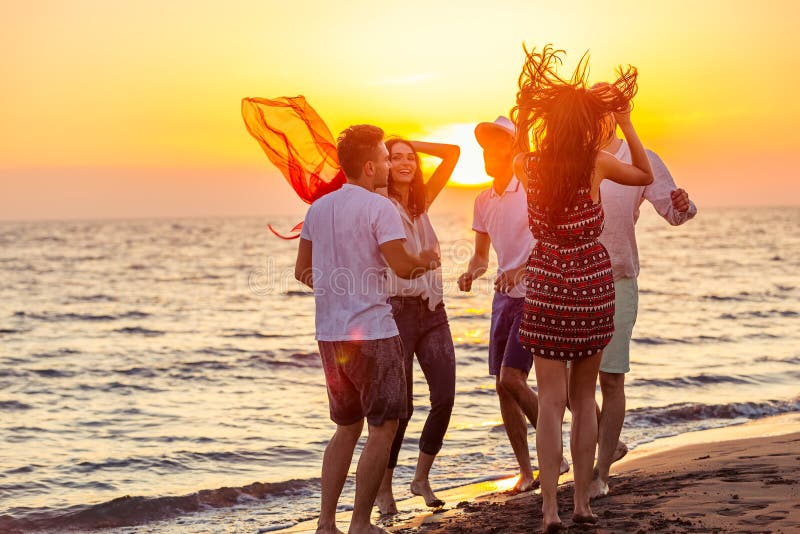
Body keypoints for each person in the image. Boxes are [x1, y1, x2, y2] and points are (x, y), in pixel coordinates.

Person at [511, 45, 654, 532]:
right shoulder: (596, 162)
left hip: (548, 279)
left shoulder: (528, 165)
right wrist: (628, 124)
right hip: (592, 282)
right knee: (584, 395)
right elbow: (645, 175)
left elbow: (517, 148)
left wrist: (527, 117)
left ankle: (549, 508)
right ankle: (582, 505)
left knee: (550, 401)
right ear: (588, 124)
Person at [294, 124, 440, 534]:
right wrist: (427, 259)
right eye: (385, 158)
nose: (392, 168)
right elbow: (403, 267)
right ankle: (360, 523)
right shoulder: (380, 208)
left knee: (345, 428)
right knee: (383, 428)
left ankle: (326, 524)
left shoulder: (318, 208)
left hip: (330, 334)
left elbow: (302, 271)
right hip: (373, 333)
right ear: (371, 165)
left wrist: (341, 285)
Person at [588, 114, 697, 499]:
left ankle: (599, 473)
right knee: (570, 387)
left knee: (610, 379)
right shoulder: (573, 155)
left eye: (608, 109)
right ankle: (603, 444)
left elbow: (676, 212)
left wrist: (682, 203)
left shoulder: (638, 157)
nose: (599, 116)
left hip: (618, 279)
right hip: (573, 283)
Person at [457, 116, 567, 493]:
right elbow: (481, 257)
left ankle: (556, 452)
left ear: (513, 147)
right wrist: (472, 273)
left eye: (496, 143)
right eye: (484, 145)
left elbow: (552, 240)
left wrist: (522, 268)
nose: (488, 151)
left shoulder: (532, 190)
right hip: (503, 299)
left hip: (537, 295)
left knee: (512, 378)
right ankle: (526, 471)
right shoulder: (483, 200)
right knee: (503, 387)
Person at [374, 139, 460, 514]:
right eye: (395, 157)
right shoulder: (379, 202)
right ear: (384, 165)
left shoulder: (421, 203)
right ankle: (384, 490)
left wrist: (408, 138)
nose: (405, 162)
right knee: (400, 408)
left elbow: (453, 153)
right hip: (397, 313)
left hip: (432, 311)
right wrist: (385, 144)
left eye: (410, 157)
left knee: (444, 397)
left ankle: (421, 478)